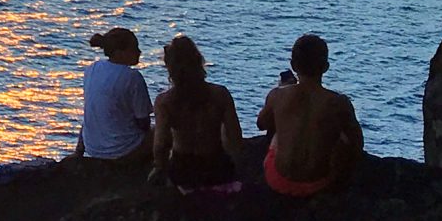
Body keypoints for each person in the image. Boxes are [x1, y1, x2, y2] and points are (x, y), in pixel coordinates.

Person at [257, 35, 363, 197]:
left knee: (278, 127)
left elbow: (262, 124)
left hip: (278, 180)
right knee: (342, 134)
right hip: (319, 183)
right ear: (326, 67)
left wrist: (282, 94)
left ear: (293, 65)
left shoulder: (277, 95)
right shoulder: (339, 102)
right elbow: (357, 143)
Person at [150, 35, 245, 191]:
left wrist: (160, 167)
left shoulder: (164, 102)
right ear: (199, 62)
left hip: (183, 170)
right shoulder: (220, 94)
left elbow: (161, 144)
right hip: (216, 166)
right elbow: (235, 138)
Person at [76, 28, 152, 166]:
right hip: (120, 151)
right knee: (165, 132)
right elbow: (144, 123)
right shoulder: (132, 77)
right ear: (119, 53)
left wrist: (78, 152)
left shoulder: (92, 68)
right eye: (134, 48)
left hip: (92, 148)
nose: (139, 52)